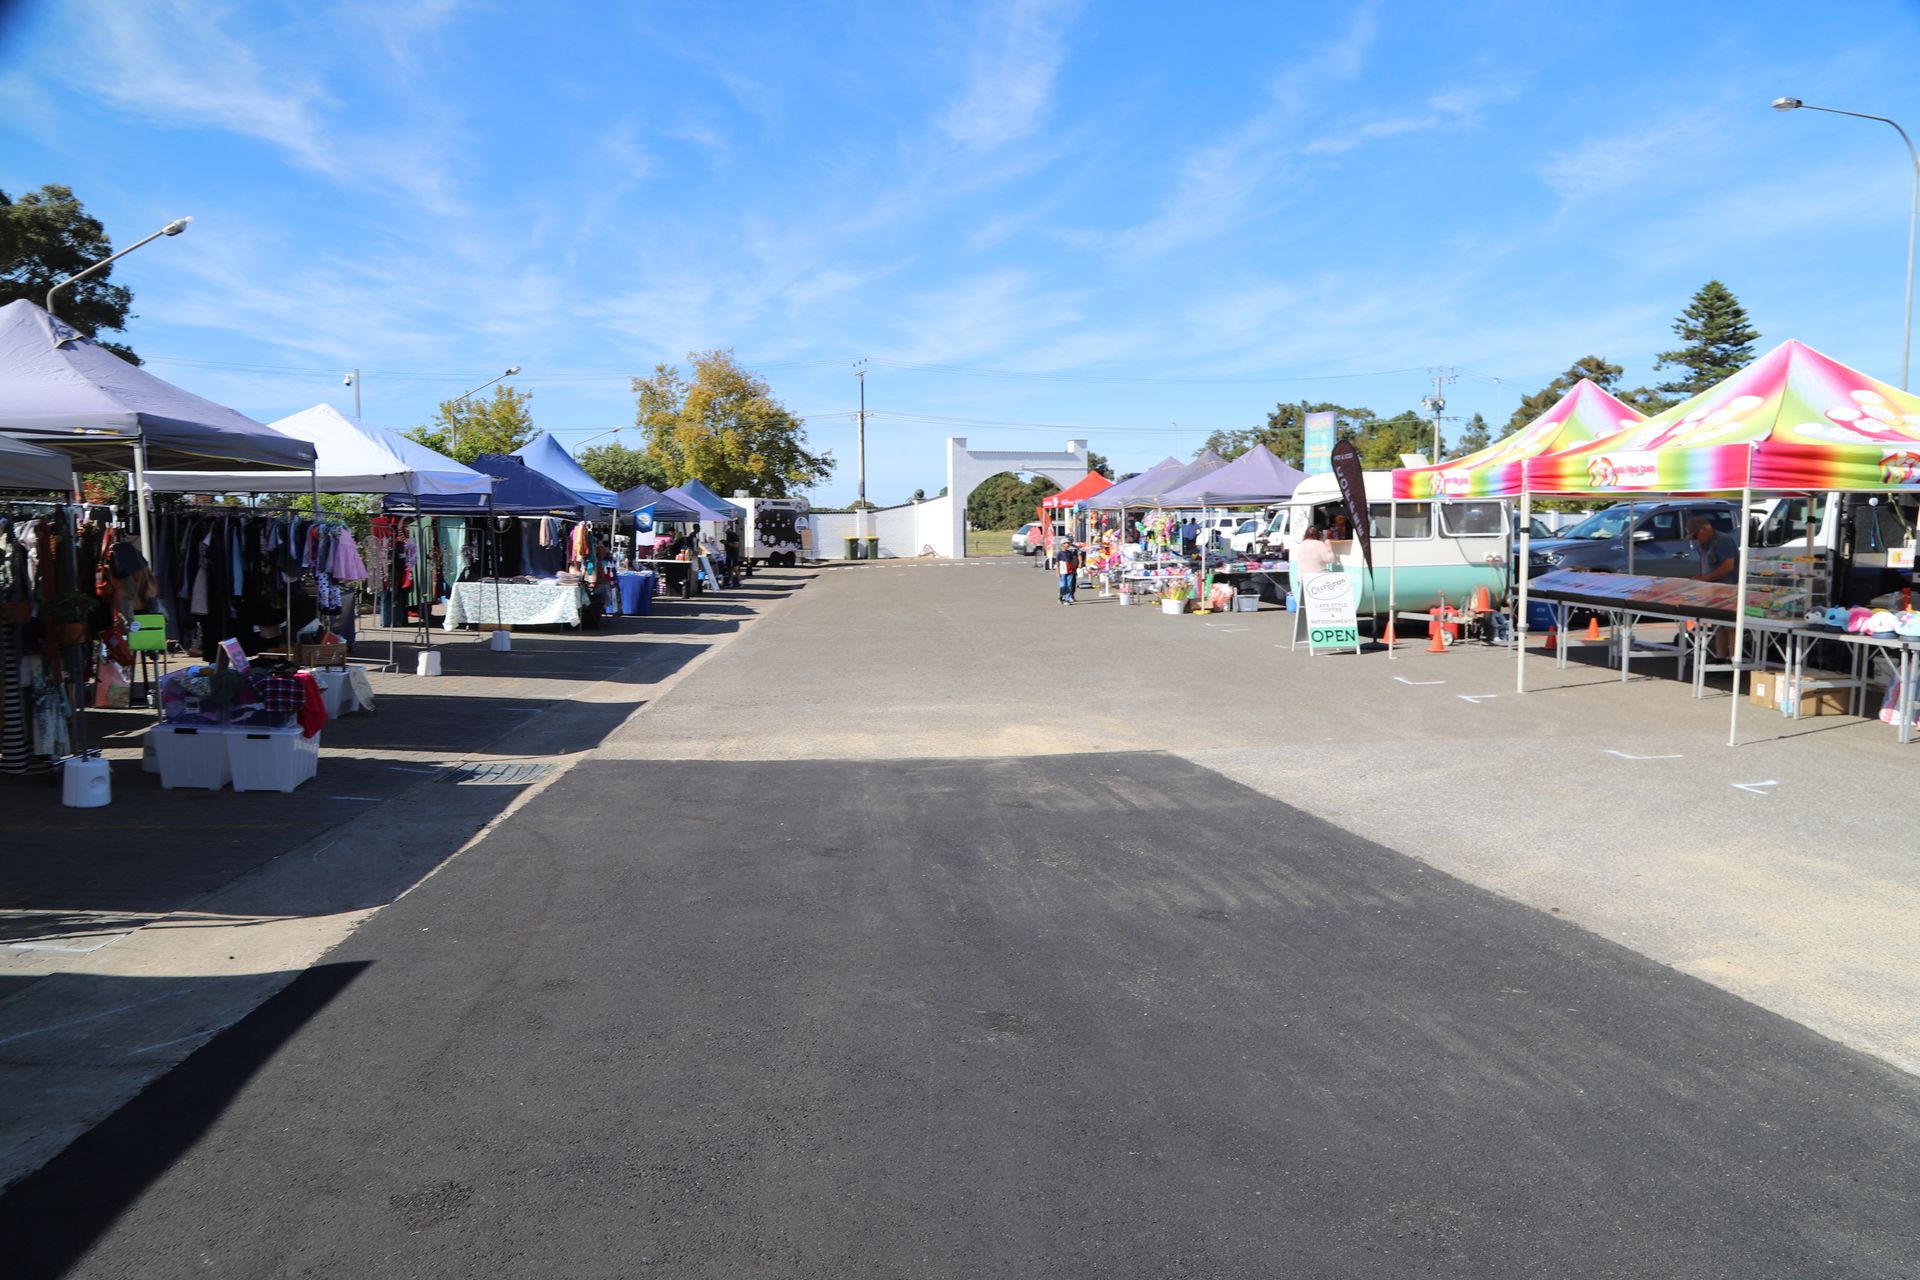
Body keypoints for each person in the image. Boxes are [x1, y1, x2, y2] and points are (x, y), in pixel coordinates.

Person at [1691, 516, 1740, 658]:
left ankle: (1732, 661)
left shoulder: (1723, 541)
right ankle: (1720, 658)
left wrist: (1705, 578)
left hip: (1728, 588)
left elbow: (1728, 566)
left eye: (1696, 535)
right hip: (1714, 590)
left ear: (1705, 529)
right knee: (1719, 627)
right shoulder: (1704, 543)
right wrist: (1700, 577)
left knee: (1731, 627)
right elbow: (1703, 562)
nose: (1695, 539)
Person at [1057, 538, 1081, 605]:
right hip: (1062, 571)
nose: (1067, 544)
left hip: (1070, 571)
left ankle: (1067, 599)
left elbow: (1072, 561)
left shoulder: (1070, 553)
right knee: (1063, 584)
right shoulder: (1059, 553)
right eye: (1065, 543)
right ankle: (1062, 596)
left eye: (1068, 543)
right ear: (1062, 545)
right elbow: (1057, 563)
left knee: (1069, 585)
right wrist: (1057, 572)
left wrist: (1074, 569)